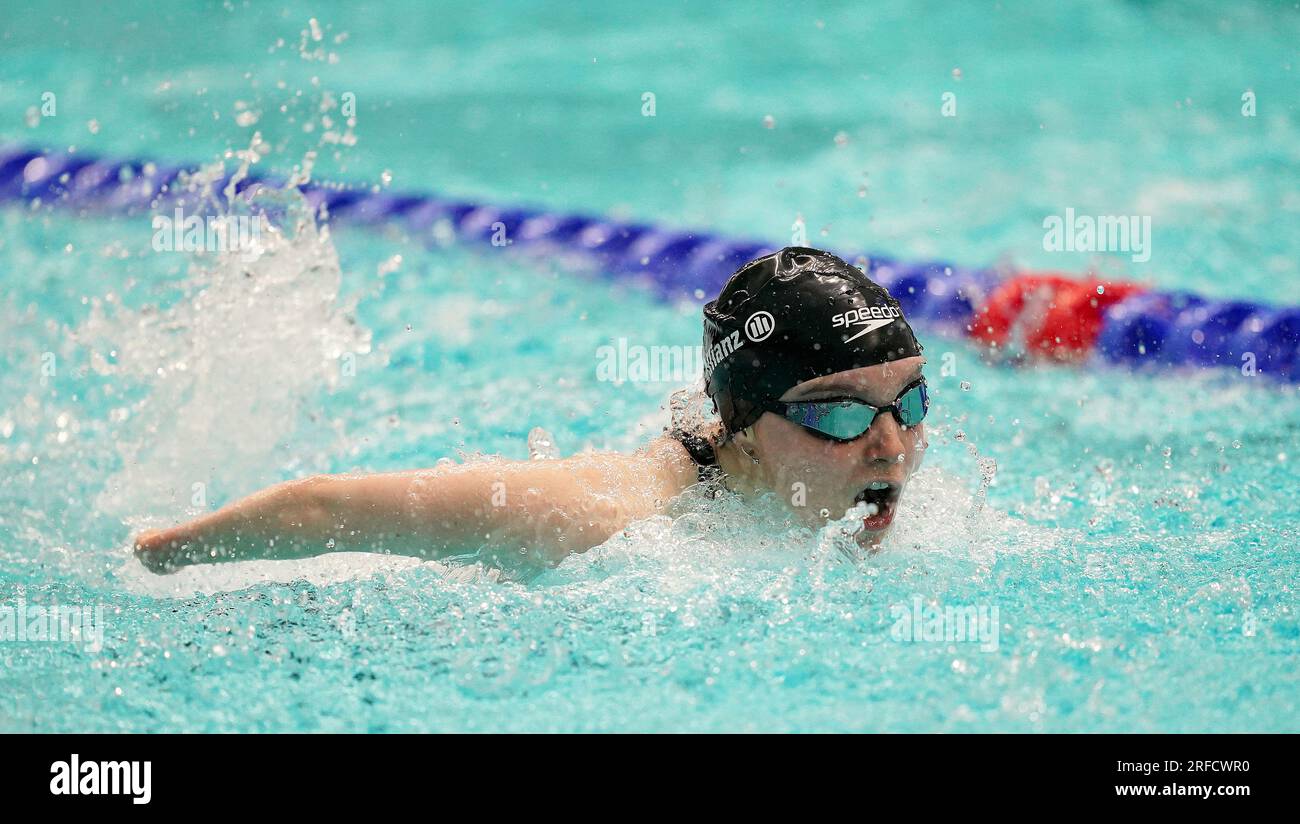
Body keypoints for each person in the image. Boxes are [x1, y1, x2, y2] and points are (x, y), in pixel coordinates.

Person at [133, 247, 928, 573]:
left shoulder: (882, 492)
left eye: (909, 400)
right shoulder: (608, 518)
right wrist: (165, 551)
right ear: (747, 432)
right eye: (840, 415)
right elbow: (326, 506)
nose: (891, 446)